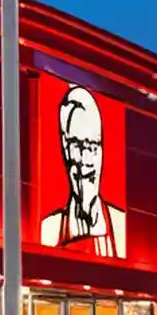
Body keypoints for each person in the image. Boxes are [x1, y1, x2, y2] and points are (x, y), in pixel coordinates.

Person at [40, 85, 126, 258]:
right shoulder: (49, 229)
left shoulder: (120, 224)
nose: (86, 159)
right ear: (65, 149)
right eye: (77, 145)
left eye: (93, 146)